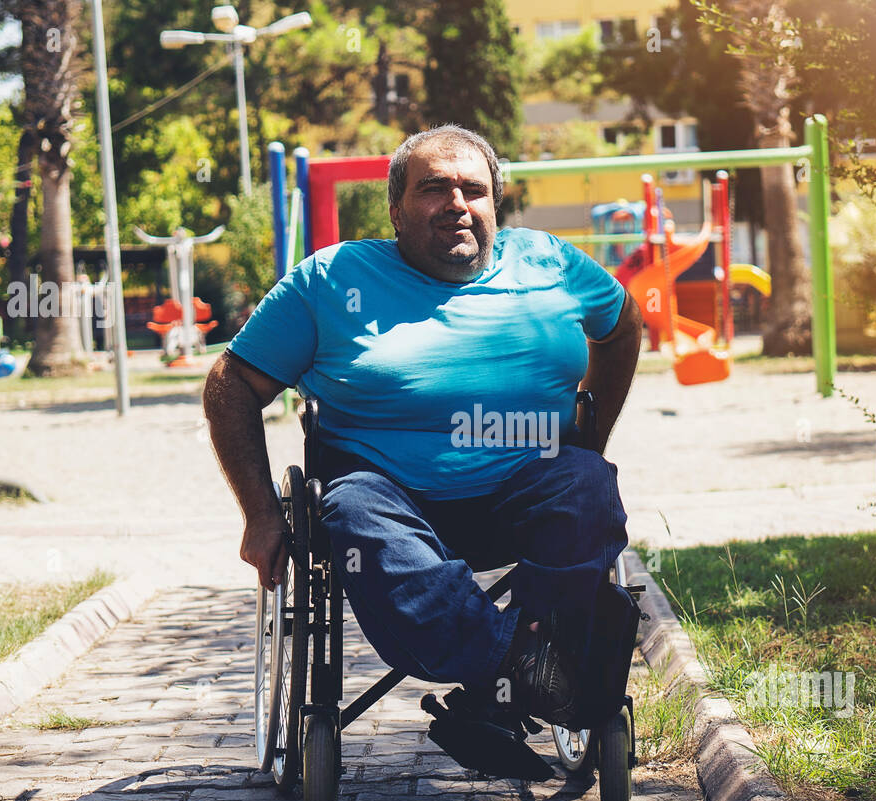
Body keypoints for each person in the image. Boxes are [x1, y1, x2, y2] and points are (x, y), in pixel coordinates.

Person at [203, 125, 642, 729]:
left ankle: (516, 676)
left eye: (474, 190)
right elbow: (231, 385)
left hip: (527, 482)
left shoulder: (549, 260)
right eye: (434, 189)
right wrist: (259, 512)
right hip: (388, 496)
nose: (457, 205)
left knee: (587, 481)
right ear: (396, 209)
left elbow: (620, 326)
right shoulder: (331, 281)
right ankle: (530, 672)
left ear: (495, 203)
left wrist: (591, 435)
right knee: (354, 509)